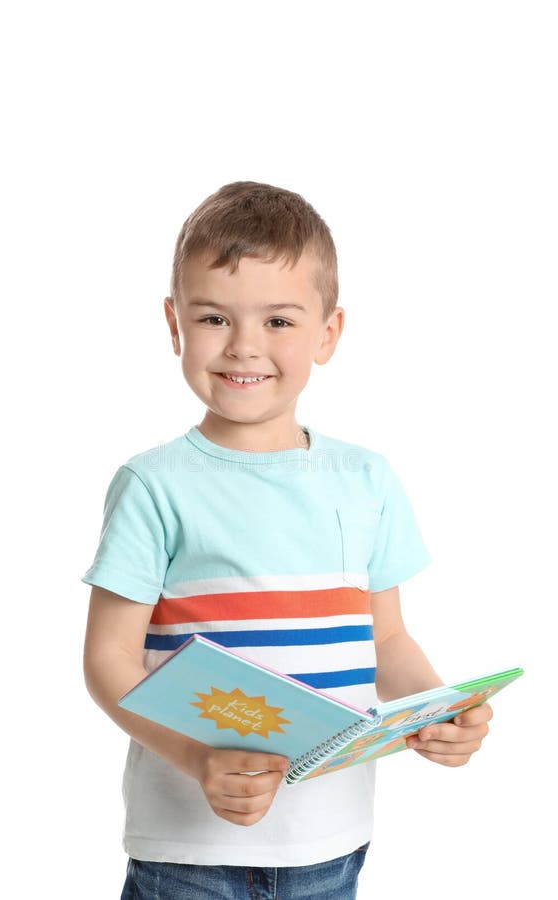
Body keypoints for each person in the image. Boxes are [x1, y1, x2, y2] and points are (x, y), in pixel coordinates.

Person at [81, 181, 493, 900]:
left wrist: (437, 709)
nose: (244, 346)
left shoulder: (367, 478)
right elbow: (108, 659)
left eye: (278, 320)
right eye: (214, 317)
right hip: (188, 851)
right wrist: (195, 757)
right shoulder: (155, 484)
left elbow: (387, 642)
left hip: (332, 844)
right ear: (175, 324)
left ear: (328, 333)